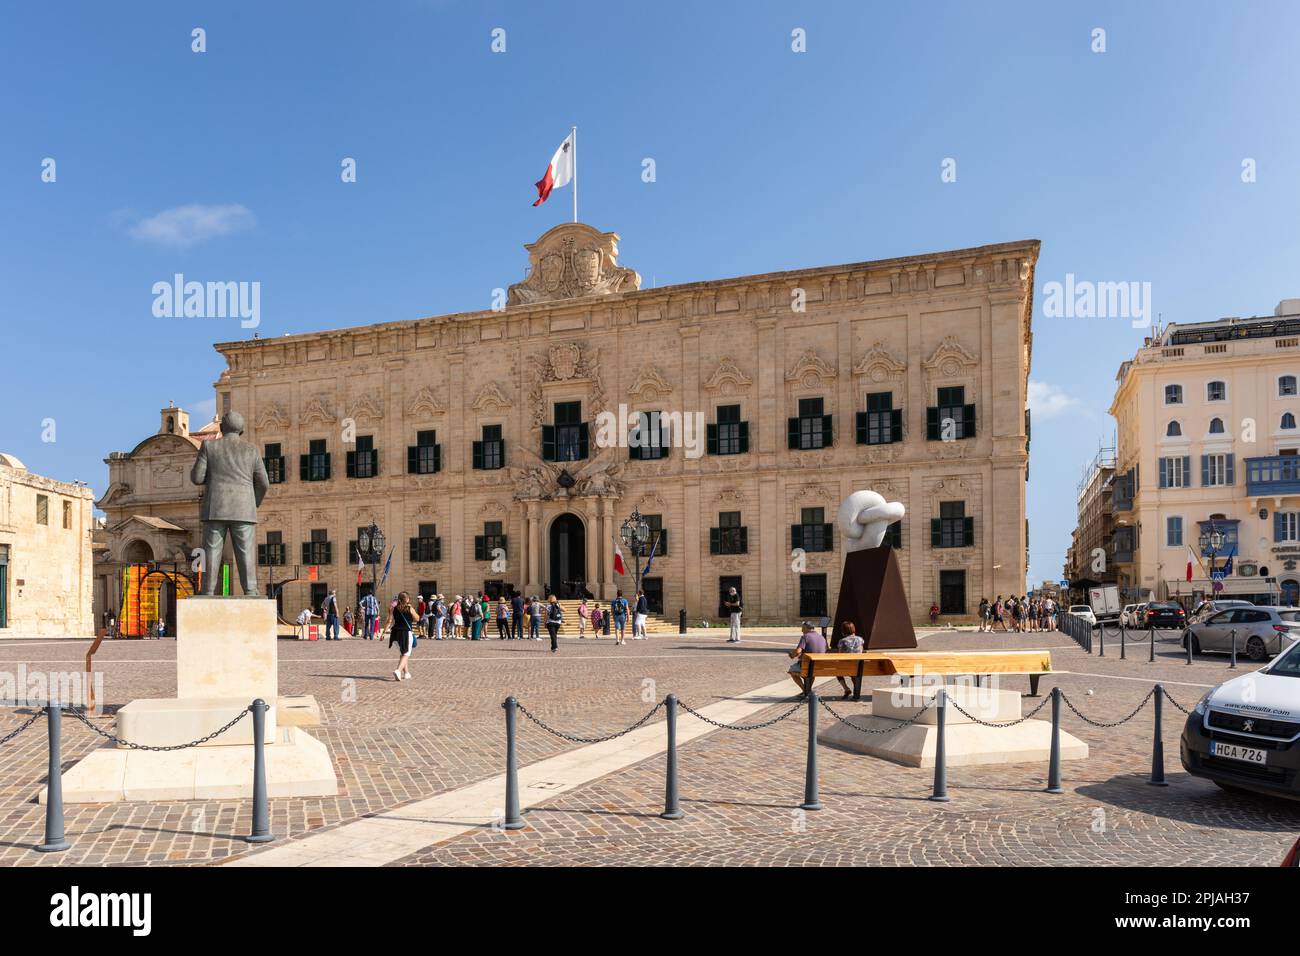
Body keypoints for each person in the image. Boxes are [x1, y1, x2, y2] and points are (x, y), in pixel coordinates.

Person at [787, 621, 828, 698]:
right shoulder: (822, 637)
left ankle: (805, 690)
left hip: (807, 666)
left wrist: (792, 655)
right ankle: (807, 690)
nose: (802, 631)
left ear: (806, 628)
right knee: (811, 672)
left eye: (802, 628)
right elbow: (825, 649)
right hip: (819, 666)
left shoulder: (805, 636)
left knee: (792, 671)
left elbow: (798, 651)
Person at [384, 591, 417, 681]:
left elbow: (389, 621)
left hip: (395, 634)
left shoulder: (393, 608)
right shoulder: (409, 608)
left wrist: (384, 632)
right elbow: (417, 618)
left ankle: (406, 673)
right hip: (405, 632)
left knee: (403, 653)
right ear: (407, 599)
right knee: (406, 653)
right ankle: (398, 670)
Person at [832, 621, 865, 699]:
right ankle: (856, 693)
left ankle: (846, 688)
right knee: (855, 673)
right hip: (858, 665)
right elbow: (861, 651)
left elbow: (840, 655)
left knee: (837, 671)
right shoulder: (860, 639)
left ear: (843, 631)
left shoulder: (842, 641)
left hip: (847, 665)